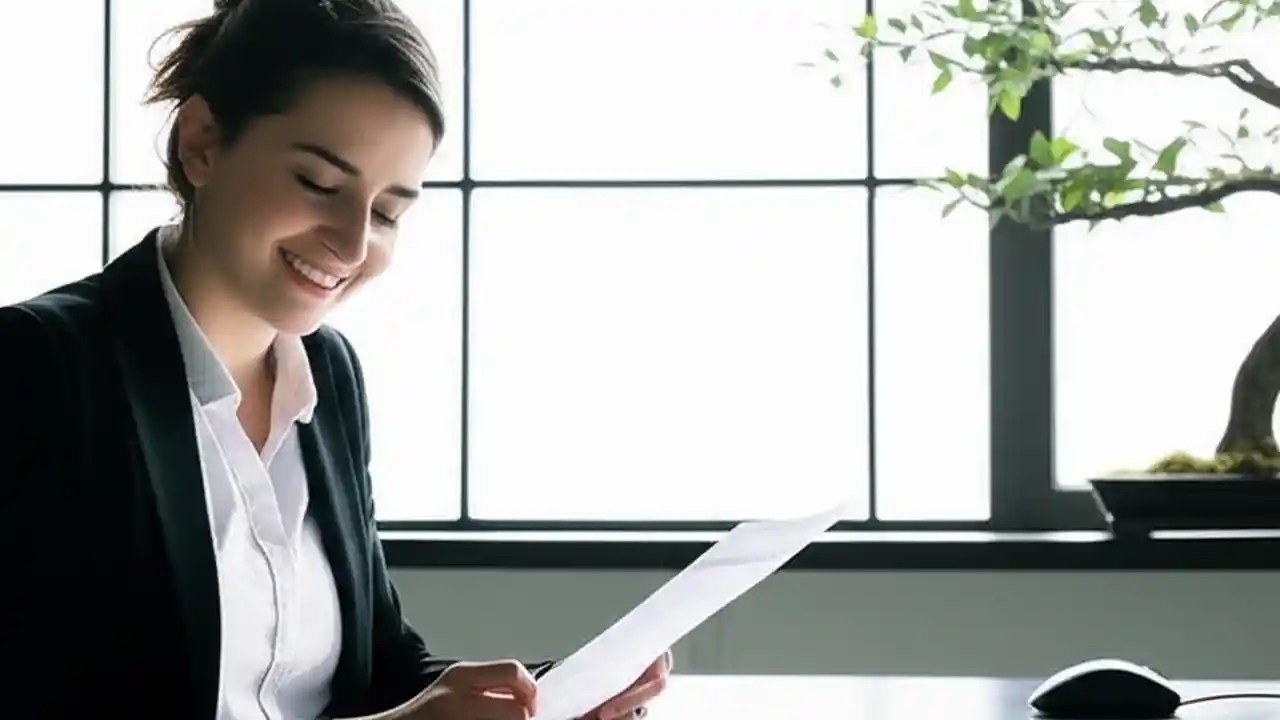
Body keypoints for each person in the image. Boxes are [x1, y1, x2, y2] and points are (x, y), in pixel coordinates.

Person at [0, 0, 671, 717]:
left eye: (387, 213)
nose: (353, 246)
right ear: (201, 142)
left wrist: (549, 695)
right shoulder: (40, 367)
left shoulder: (328, 375)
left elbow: (373, 672)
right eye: (320, 184)